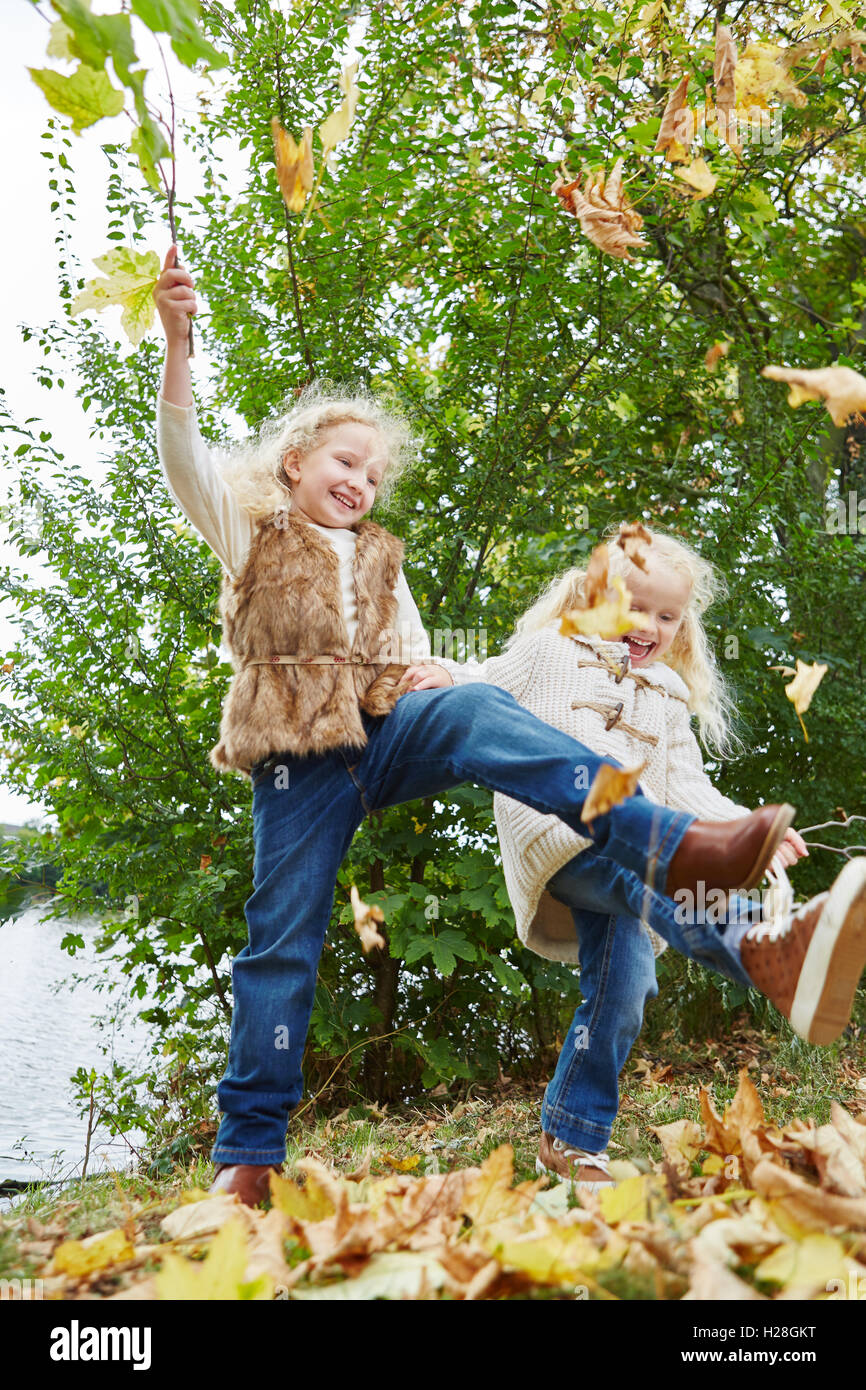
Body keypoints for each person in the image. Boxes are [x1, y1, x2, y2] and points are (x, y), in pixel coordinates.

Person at [151, 248, 855, 1206]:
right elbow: (182, 451)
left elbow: (422, 665)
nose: (361, 480)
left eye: (373, 471)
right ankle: (248, 1159)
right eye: (344, 461)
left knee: (475, 708)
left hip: (386, 734)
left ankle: (675, 847)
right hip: (299, 763)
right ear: (293, 464)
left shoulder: (382, 559)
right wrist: (180, 342)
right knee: (282, 940)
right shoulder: (252, 532)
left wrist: (436, 674)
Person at [437, 522, 866, 1190]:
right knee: (659, 879)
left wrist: (750, 831)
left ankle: (569, 1136)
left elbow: (690, 786)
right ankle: (766, 947)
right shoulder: (550, 650)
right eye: (637, 608)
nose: (652, 626)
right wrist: (436, 672)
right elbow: (482, 680)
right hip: (564, 838)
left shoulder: (665, 695)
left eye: (668, 616)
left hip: (639, 853)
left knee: (624, 989)